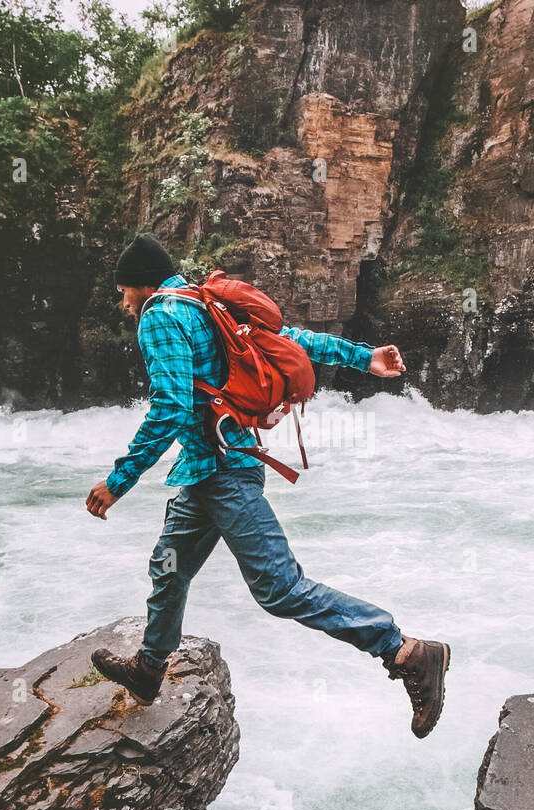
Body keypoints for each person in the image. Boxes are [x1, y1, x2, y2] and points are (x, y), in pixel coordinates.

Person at [85, 233, 450, 738]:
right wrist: (364, 358)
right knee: (168, 568)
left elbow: (168, 407)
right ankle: (149, 671)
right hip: (207, 473)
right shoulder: (202, 302)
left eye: (123, 291)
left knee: (279, 588)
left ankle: (405, 650)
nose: (122, 302)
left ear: (139, 284)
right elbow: (290, 339)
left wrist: (117, 481)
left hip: (225, 475)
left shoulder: (159, 315)